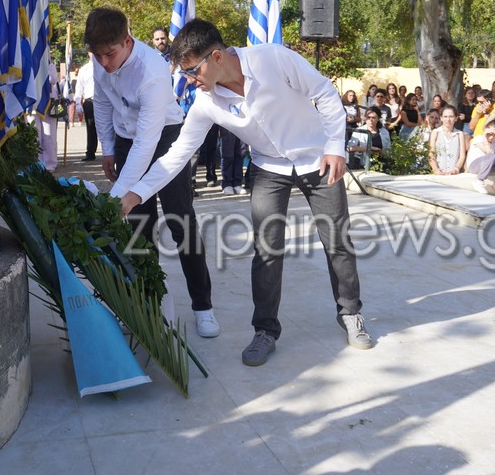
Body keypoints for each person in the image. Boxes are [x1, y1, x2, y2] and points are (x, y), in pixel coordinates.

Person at [119, 19, 372, 367]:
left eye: (192, 71)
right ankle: (265, 330)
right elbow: (177, 154)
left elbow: (324, 93)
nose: (189, 81)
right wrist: (136, 193)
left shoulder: (273, 58)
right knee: (266, 249)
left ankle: (350, 314)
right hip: (269, 168)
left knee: (337, 240)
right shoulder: (206, 103)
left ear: (217, 57)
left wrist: (335, 147)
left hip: (317, 159)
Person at [84, 7, 219, 338]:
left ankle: (203, 306)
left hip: (165, 139)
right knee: (137, 230)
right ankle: (147, 302)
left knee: (181, 224)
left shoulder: (152, 71)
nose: (104, 62)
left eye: (110, 54)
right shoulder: (101, 60)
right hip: (127, 141)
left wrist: (115, 199)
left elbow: (149, 142)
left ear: (127, 41)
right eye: (97, 55)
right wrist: (109, 149)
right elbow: (101, 103)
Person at [465, 120, 495, 198]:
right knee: (491, 155)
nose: (491, 137)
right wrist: (484, 136)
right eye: (489, 134)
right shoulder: (479, 138)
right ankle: (479, 180)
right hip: (474, 166)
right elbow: (488, 152)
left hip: (488, 167)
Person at [429, 106, 465, 175]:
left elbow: (462, 156)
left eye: (451, 116)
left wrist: (456, 169)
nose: (448, 119)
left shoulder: (459, 134)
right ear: (441, 118)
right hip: (439, 174)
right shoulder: (436, 132)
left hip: (454, 174)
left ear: (456, 118)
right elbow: (431, 154)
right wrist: (435, 169)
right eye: (445, 116)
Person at [74, 55, 97, 160]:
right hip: (89, 100)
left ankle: (111, 153)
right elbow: (79, 86)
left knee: (109, 127)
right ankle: (90, 152)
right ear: (88, 53)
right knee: (90, 127)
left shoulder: (105, 65)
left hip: (105, 101)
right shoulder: (84, 69)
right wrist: (78, 103)